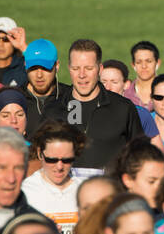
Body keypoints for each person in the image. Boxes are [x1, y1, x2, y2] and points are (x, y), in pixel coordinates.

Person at [39, 39, 145, 169]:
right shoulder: (53, 110)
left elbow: (140, 155)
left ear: (100, 69)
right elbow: (40, 157)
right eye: (76, 68)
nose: (81, 75)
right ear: (69, 69)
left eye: (88, 68)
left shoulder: (123, 108)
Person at [21, 122, 85, 234]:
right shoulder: (25, 192)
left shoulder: (84, 190)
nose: (59, 166)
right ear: (40, 154)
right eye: (52, 160)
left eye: (67, 160)